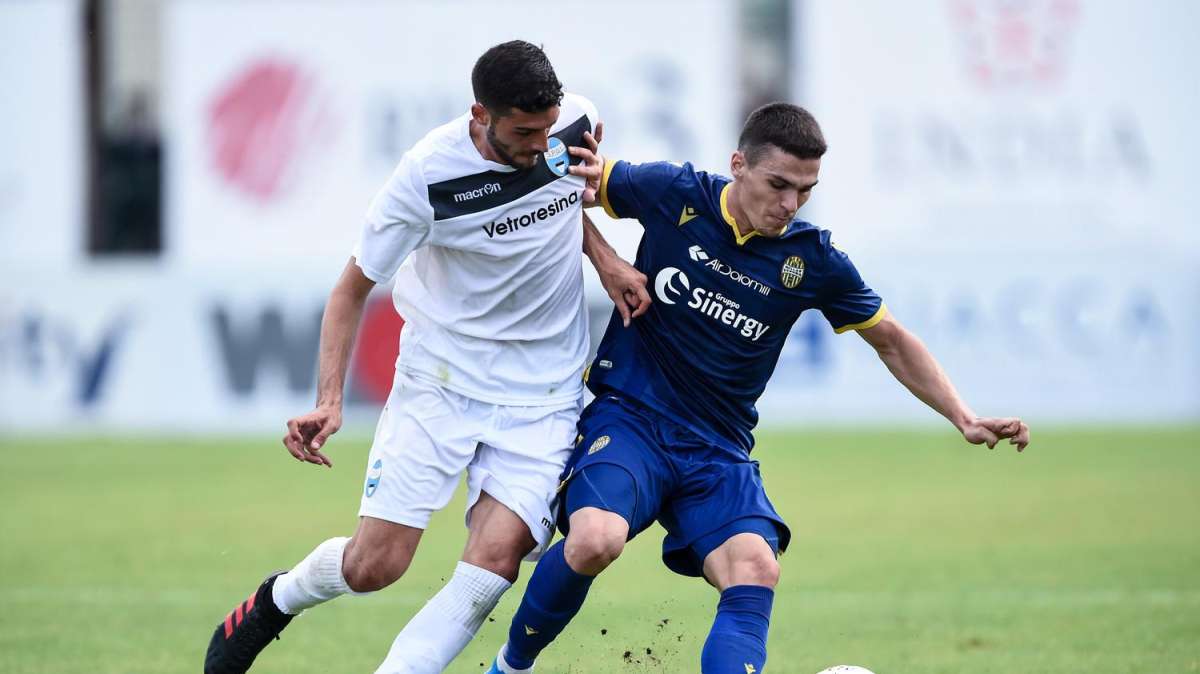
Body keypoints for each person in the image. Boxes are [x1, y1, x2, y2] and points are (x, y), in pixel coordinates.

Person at [485, 103, 1031, 674]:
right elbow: (551, 191)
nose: (790, 205)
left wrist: (963, 416)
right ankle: (512, 666)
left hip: (717, 448)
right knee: (596, 540)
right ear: (738, 164)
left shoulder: (813, 259)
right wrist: (605, 258)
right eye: (778, 185)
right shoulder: (674, 191)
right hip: (632, 419)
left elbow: (891, 339)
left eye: (805, 190)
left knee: (756, 566)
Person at [203, 40, 647, 674]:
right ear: (480, 114)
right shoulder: (425, 175)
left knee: (492, 565)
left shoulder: (571, 121)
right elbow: (350, 288)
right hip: (440, 382)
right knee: (374, 566)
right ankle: (277, 601)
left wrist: (604, 259)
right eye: (524, 132)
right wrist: (329, 397)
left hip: (545, 397)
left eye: (548, 129)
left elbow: (566, 198)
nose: (541, 144)